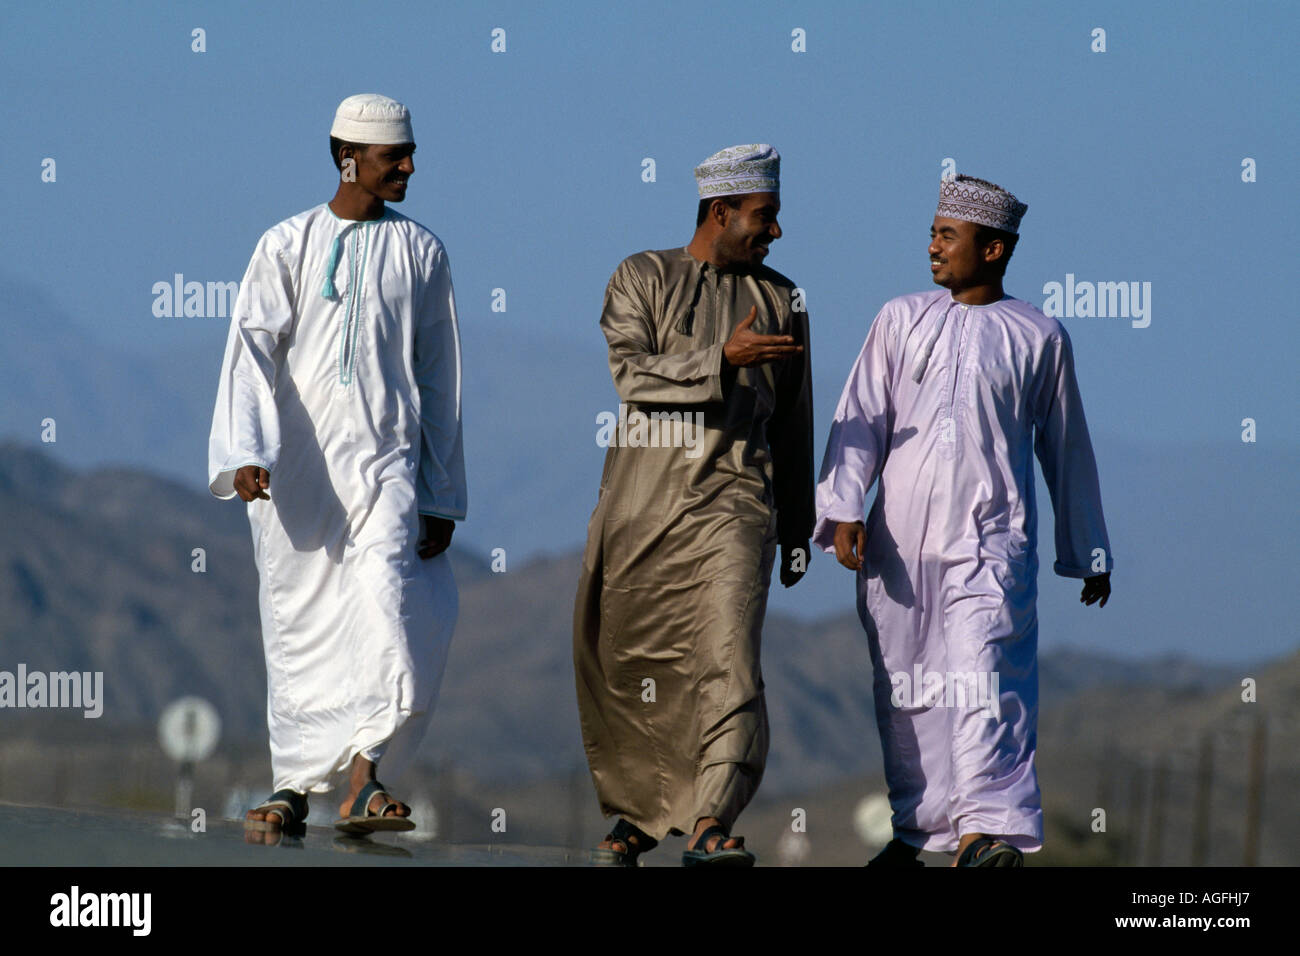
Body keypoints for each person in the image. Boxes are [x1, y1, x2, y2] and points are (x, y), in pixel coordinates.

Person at [815, 175, 1112, 867]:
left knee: (985, 680)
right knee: (908, 692)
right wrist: (842, 507)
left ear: (995, 248)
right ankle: (922, 835)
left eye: (948, 236)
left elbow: (1065, 445)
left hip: (990, 544)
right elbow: (861, 414)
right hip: (898, 546)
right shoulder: (899, 318)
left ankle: (988, 831)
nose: (933, 247)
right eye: (933, 232)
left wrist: (1089, 549)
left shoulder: (1038, 334)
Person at [207, 93, 466, 839]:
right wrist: (245, 451)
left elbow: (441, 373)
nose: (410, 168)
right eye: (395, 157)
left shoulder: (423, 252)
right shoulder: (284, 245)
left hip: (387, 463)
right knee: (301, 621)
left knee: (386, 600)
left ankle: (363, 778)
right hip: (295, 473)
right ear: (349, 159)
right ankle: (293, 785)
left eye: (411, 154)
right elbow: (249, 352)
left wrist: (441, 491)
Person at [573, 144, 814, 866]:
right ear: (721, 211)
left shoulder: (784, 299)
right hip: (643, 508)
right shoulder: (641, 277)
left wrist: (799, 522)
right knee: (634, 667)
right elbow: (631, 372)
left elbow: (795, 419)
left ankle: (711, 820)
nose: (774, 232)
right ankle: (639, 817)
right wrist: (721, 361)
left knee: (729, 658)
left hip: (735, 501)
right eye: (763, 217)